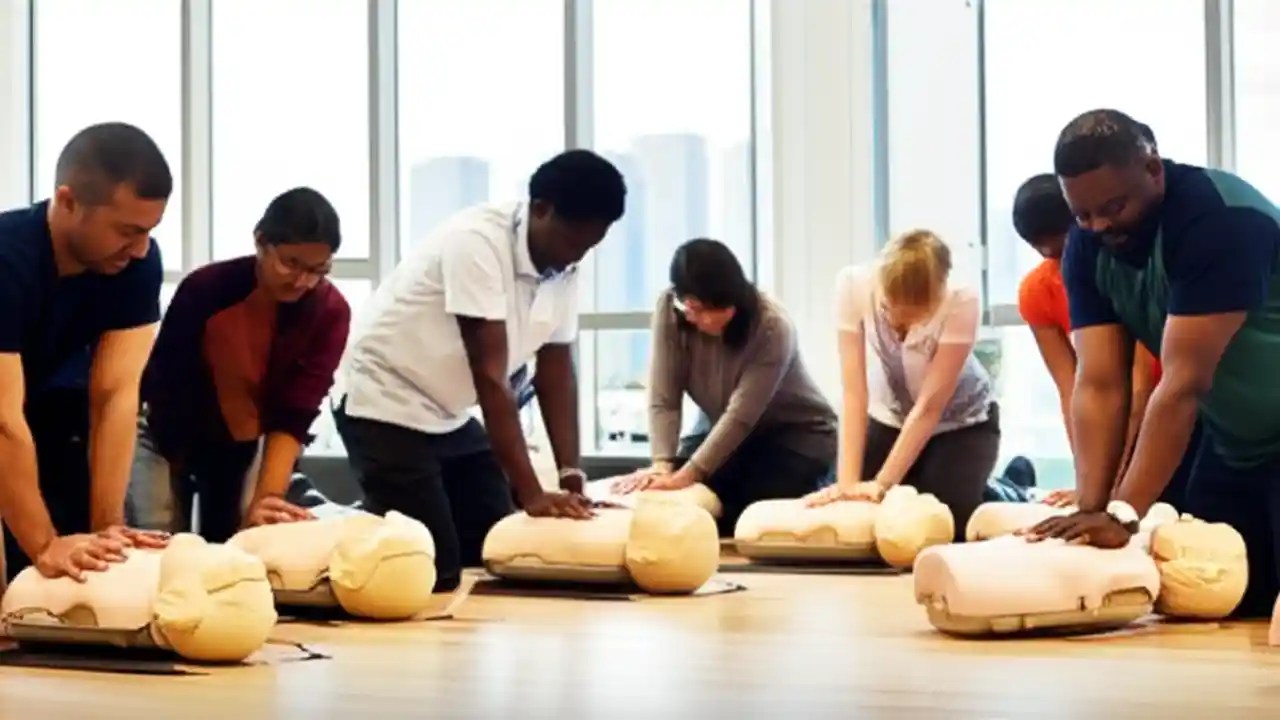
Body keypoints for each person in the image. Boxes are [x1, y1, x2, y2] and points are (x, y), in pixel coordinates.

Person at [1022, 108, 1280, 618]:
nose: (1099, 225)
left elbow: (1183, 382)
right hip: (1235, 442)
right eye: (1083, 215)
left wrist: (1123, 513)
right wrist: (1091, 508)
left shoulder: (1219, 221)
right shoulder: (1087, 247)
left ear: (1153, 169)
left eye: (1113, 206)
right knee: (1218, 599)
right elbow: (1098, 385)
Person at [332, 149, 627, 591]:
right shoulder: (476, 243)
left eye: (589, 247)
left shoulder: (566, 265)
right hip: (384, 401)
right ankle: (329, 518)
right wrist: (530, 491)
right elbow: (490, 376)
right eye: (573, 243)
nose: (576, 258)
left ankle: (388, 504)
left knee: (492, 545)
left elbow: (556, 371)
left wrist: (570, 473)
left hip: (448, 415)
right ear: (541, 209)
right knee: (434, 570)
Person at [0, 122, 173, 582]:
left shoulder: (135, 265)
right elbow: (2, 420)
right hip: (7, 421)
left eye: (149, 232)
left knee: (77, 571)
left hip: (48, 425)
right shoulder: (7, 258)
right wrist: (43, 544)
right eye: (126, 231)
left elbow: (115, 396)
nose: (139, 249)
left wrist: (107, 527)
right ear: (68, 201)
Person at [131, 187, 351, 542]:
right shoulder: (206, 289)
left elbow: (295, 413)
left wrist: (267, 500)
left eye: (317, 270)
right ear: (261, 242)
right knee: (157, 541)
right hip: (166, 433)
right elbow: (164, 383)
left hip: (248, 442)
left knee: (245, 542)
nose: (302, 281)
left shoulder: (330, 312)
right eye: (290, 263)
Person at [613, 239, 838, 534]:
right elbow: (664, 397)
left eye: (714, 309)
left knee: (747, 509)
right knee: (663, 494)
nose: (703, 319)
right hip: (721, 429)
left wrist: (688, 475)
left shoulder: (771, 325)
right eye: (693, 308)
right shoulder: (670, 310)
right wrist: (663, 463)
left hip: (794, 438)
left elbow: (741, 416)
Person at [1012, 171, 1196, 510]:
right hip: (1114, 402)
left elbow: (1139, 388)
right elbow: (1075, 392)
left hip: (1174, 402)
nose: (1060, 260)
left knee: (1170, 509)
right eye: (1047, 253)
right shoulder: (1036, 291)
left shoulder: (1126, 271)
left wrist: (1117, 486)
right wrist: (1091, 483)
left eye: (1064, 247)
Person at [803, 230, 1000, 540]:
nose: (898, 323)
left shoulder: (962, 301)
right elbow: (854, 392)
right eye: (890, 310)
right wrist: (848, 485)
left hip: (961, 422)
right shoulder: (854, 285)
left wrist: (882, 485)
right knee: (847, 508)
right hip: (890, 416)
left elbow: (929, 406)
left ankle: (1007, 487)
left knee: (943, 520)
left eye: (912, 317)